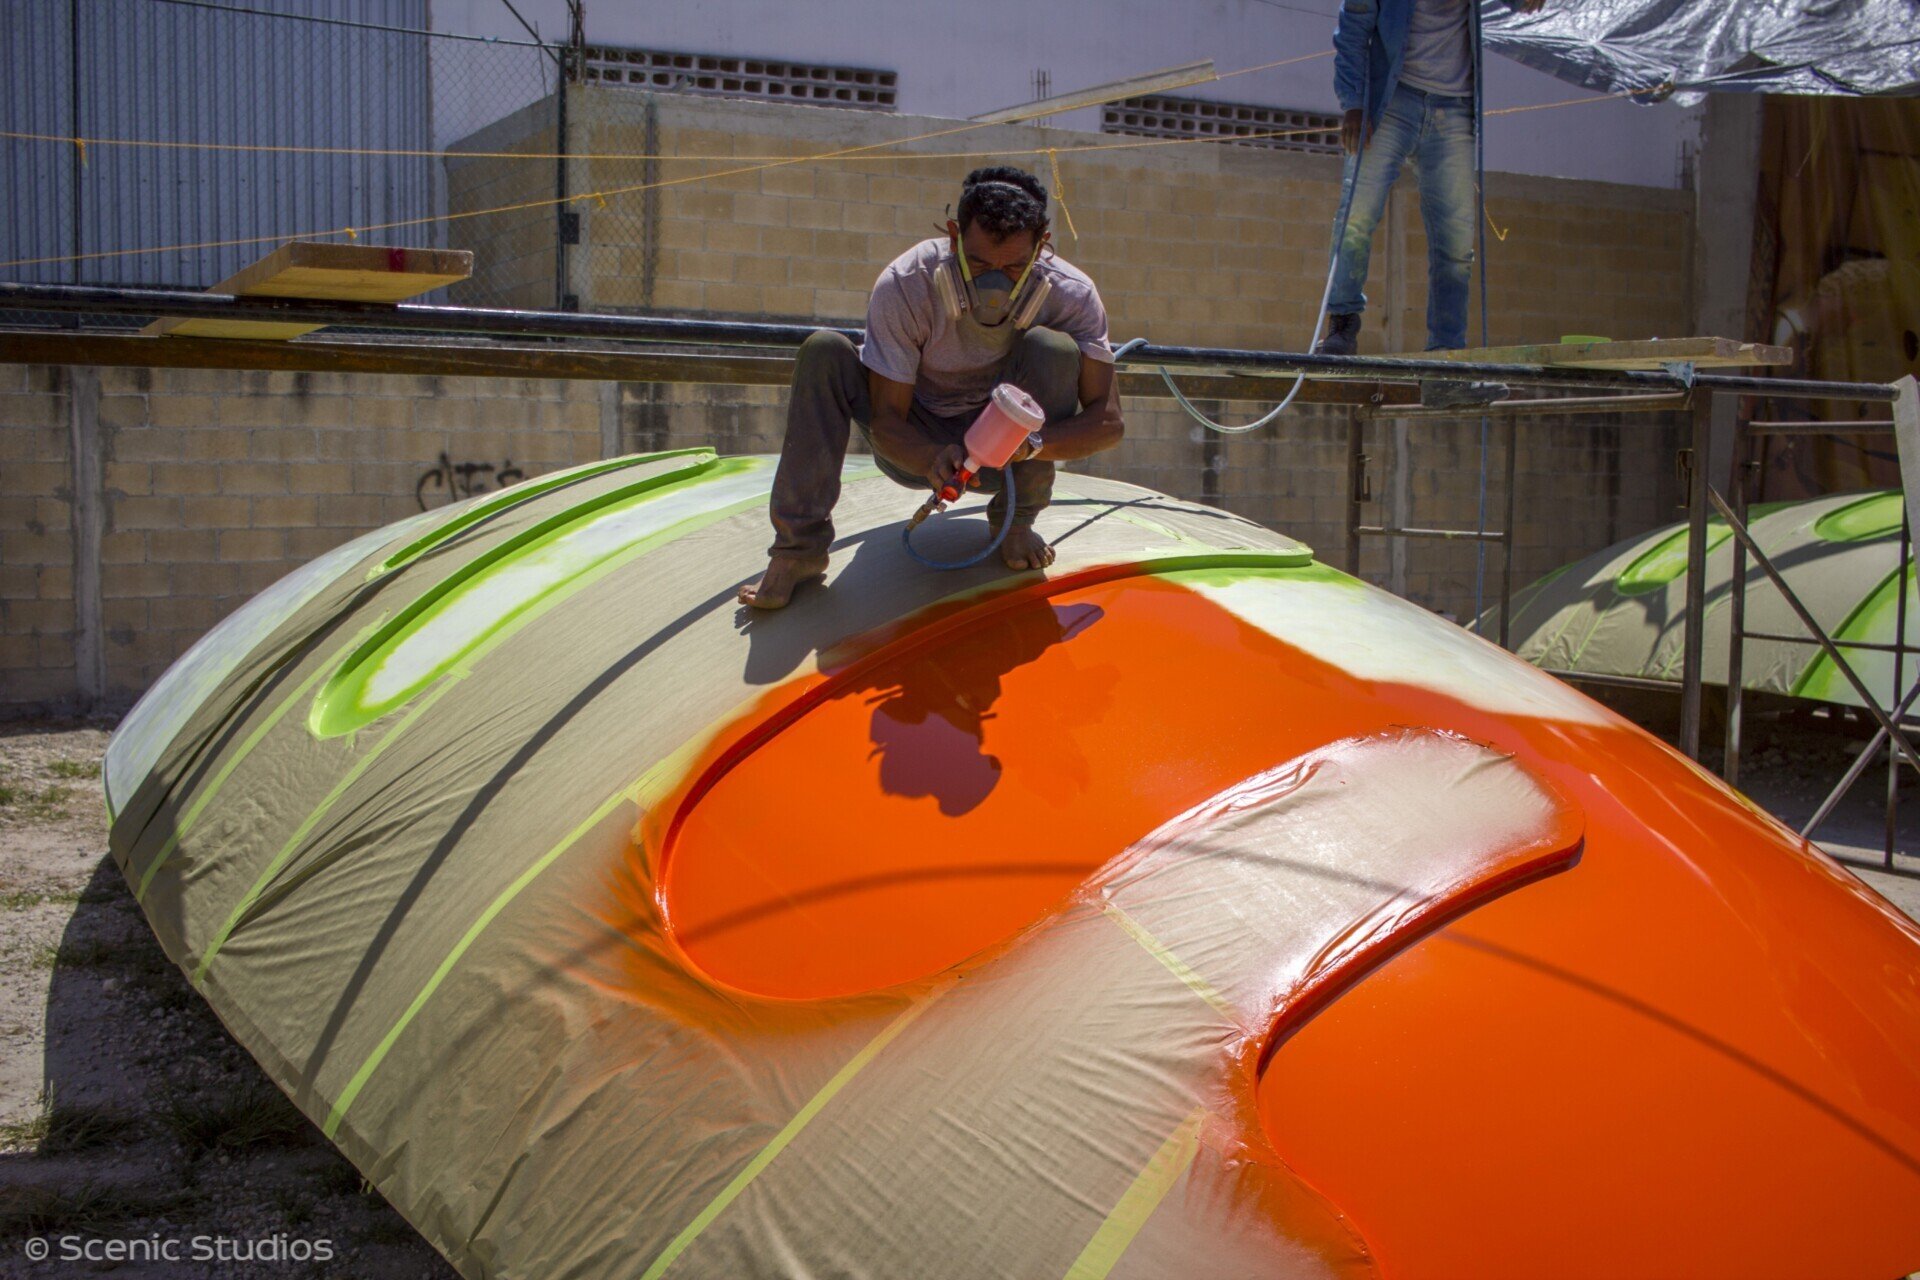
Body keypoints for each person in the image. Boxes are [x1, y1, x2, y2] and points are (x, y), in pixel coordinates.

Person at [739, 166, 1125, 609]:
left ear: (1043, 245)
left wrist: (1030, 443)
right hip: (913, 440)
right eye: (979, 264)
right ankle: (797, 552)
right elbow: (886, 420)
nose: (996, 284)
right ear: (954, 236)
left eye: (1016, 267)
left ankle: (1017, 523)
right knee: (824, 351)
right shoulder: (909, 283)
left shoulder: (1071, 295)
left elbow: (1108, 423)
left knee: (1053, 348)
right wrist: (928, 457)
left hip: (1006, 451)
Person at [1313, 0, 1544, 377]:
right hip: (1391, 99)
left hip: (1455, 106)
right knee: (1356, 216)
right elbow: (1353, 28)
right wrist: (1354, 102)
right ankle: (1342, 325)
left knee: (1455, 243)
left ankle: (1447, 352)